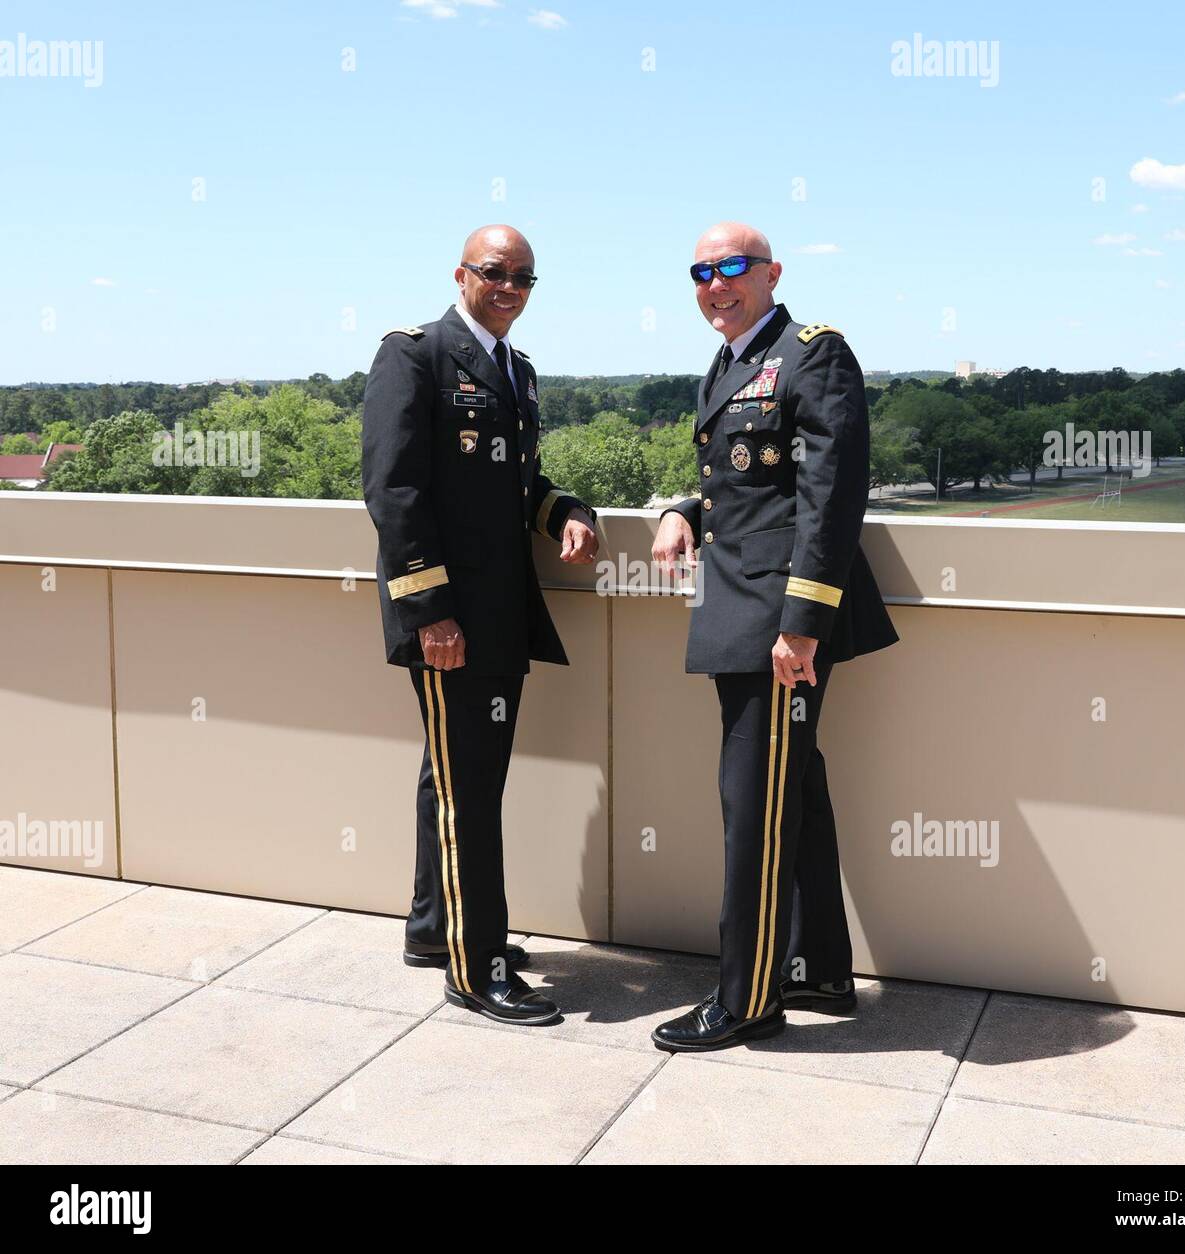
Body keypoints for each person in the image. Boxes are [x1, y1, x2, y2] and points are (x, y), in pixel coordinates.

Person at [649, 221, 898, 1052]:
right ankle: (817, 964)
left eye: (731, 268)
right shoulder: (729, 365)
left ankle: (747, 996)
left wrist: (803, 627)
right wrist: (683, 510)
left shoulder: (812, 353)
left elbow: (832, 497)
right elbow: (742, 486)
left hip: (780, 628)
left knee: (751, 804)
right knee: (794, 791)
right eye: (700, 272)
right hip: (741, 609)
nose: (715, 284)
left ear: (770, 272)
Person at [362, 224, 598, 1026]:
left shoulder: (515, 369)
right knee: (470, 792)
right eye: (496, 273)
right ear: (461, 273)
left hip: (500, 612)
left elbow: (514, 480)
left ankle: (438, 930)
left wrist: (563, 508)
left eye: (525, 278)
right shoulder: (415, 354)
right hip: (450, 618)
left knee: (457, 776)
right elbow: (394, 492)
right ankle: (477, 966)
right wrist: (429, 613)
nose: (510, 288)